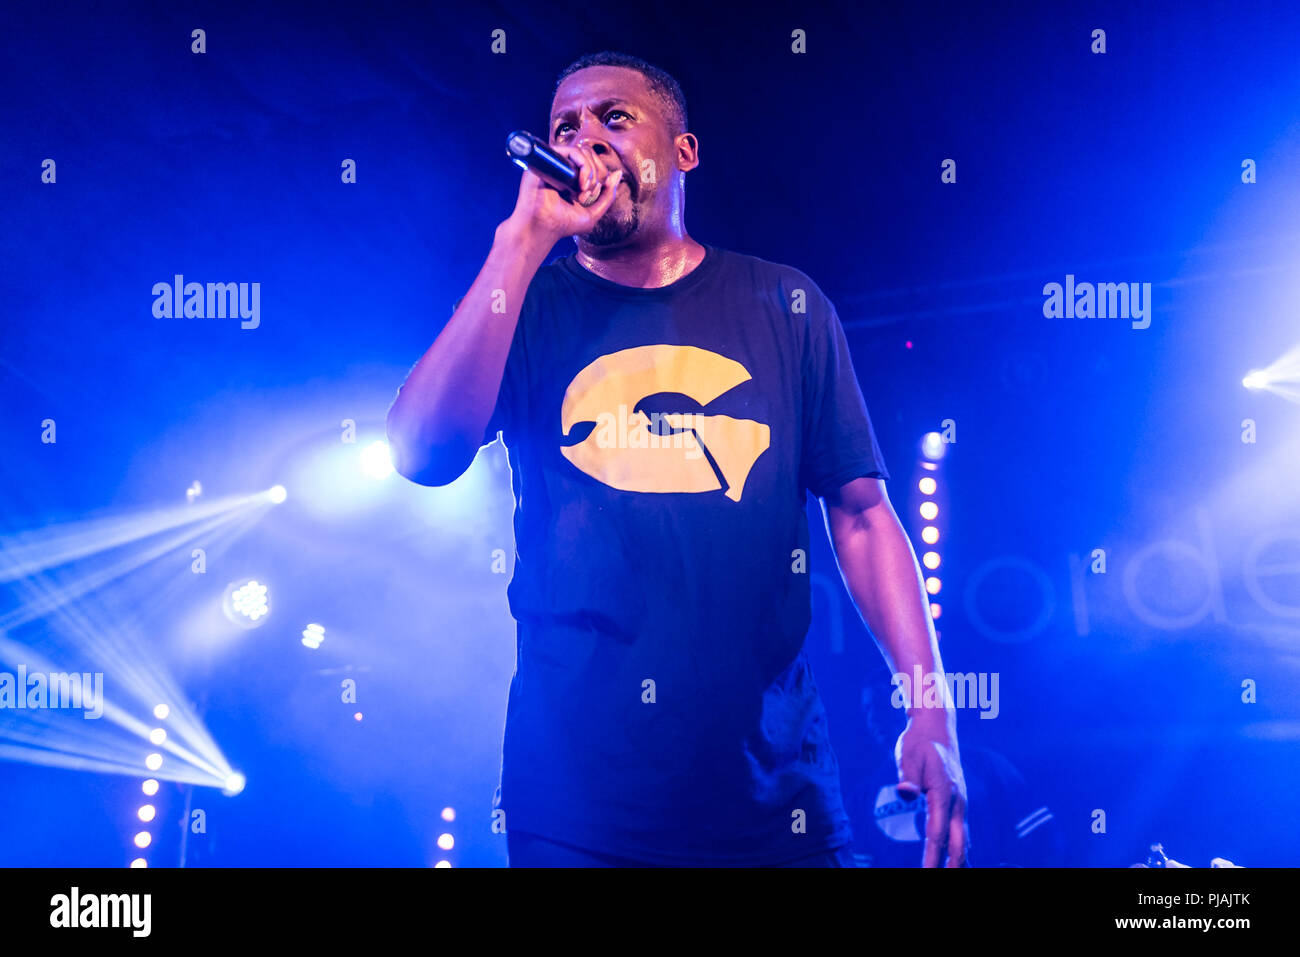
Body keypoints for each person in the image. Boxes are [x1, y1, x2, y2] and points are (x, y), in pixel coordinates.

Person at [387, 51, 969, 867]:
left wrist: (931, 713)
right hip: (578, 806)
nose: (583, 137)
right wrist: (519, 245)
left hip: (775, 800)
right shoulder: (526, 302)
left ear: (684, 151)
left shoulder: (784, 303)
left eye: (613, 118)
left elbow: (865, 516)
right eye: (565, 126)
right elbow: (420, 452)